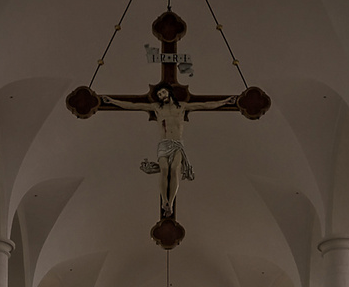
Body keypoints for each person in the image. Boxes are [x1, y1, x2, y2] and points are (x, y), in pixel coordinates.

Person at [91, 84, 245, 214]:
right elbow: (133, 106)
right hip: (164, 144)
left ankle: (170, 203)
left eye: (163, 92)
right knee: (165, 169)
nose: (161, 95)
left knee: (175, 169)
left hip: (177, 143)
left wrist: (225, 102)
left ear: (168, 92)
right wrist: (112, 101)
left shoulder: (182, 107)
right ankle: (164, 200)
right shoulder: (156, 107)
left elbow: (204, 105)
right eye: (158, 94)